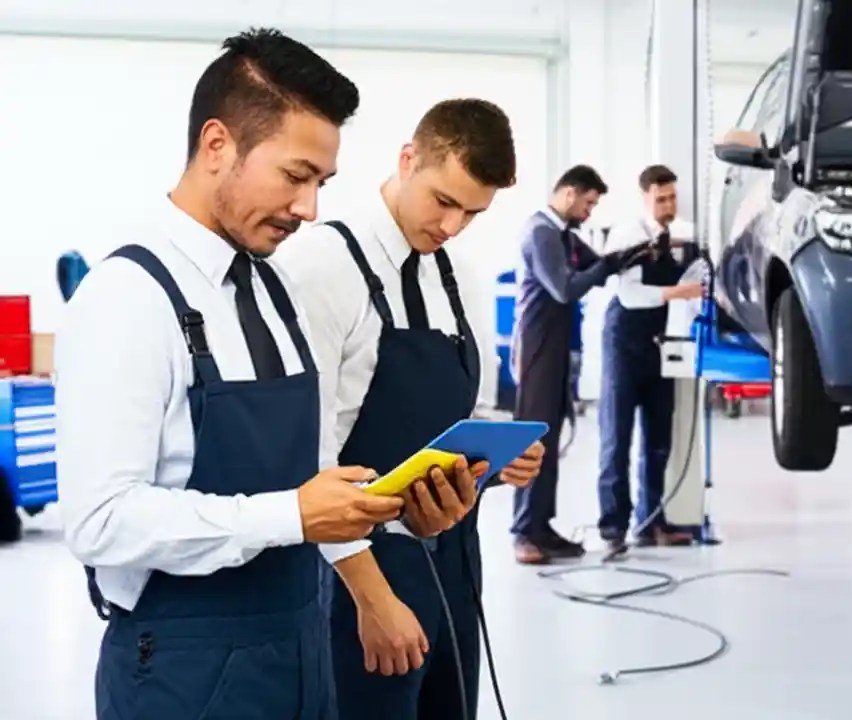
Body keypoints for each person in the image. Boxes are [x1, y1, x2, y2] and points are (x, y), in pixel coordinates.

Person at [55, 29, 408, 720]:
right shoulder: (128, 297)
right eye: (295, 176)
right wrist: (292, 515)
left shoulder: (275, 292)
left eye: (321, 184)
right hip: (186, 670)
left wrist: (397, 511)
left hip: (302, 643)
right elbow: (99, 520)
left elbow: (307, 472)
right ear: (217, 145)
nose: (310, 209)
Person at [275, 98, 544, 720]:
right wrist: (372, 599)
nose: (452, 225)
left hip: (454, 556)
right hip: (358, 567)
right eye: (443, 201)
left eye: (473, 212)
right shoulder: (323, 266)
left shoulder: (459, 279)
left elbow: (464, 413)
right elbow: (304, 455)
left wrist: (498, 456)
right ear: (406, 160)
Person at [509, 165, 646, 564]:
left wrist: (630, 255)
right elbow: (565, 287)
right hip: (538, 347)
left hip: (558, 346)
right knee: (532, 441)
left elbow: (598, 264)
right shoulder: (541, 232)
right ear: (569, 194)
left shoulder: (564, 235)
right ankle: (522, 531)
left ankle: (541, 526)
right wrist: (605, 267)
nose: (590, 212)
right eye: (588, 203)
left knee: (550, 441)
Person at [596, 164, 704, 553]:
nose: (668, 205)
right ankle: (612, 527)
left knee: (659, 437)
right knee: (617, 436)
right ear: (645, 198)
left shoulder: (683, 234)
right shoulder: (629, 236)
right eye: (661, 199)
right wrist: (683, 291)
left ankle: (650, 521)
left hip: (660, 343)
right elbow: (632, 295)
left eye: (672, 197)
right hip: (623, 342)